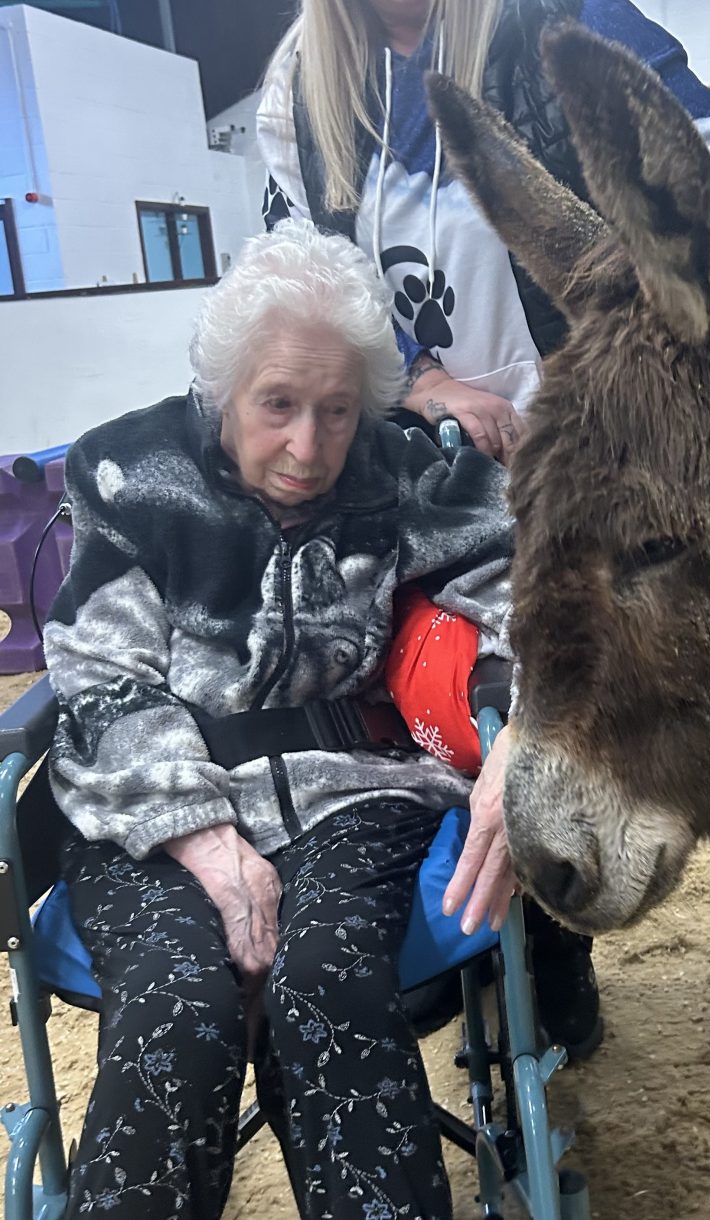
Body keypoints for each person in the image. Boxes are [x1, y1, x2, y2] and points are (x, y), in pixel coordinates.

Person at [256, 0, 710, 1052]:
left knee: (540, 705)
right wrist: (417, 380)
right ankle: (463, 939)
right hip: (407, 463)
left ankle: (549, 959)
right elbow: (294, 281)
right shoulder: (304, 82)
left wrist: (629, 374)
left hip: (578, 458)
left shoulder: (565, 26)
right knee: (419, 700)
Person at [43, 219, 517, 1220]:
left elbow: (524, 596)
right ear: (225, 386)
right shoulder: (129, 473)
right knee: (179, 1009)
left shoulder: (402, 472)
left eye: (338, 410)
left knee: (327, 988)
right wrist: (210, 845)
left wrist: (522, 719)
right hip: (153, 813)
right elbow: (102, 676)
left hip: (360, 794)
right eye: (279, 404)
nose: (309, 447)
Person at [256, 0, 710, 464]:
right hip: (432, 457)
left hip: (627, 434)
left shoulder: (569, 13)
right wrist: (424, 382)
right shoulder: (298, 87)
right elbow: (304, 274)